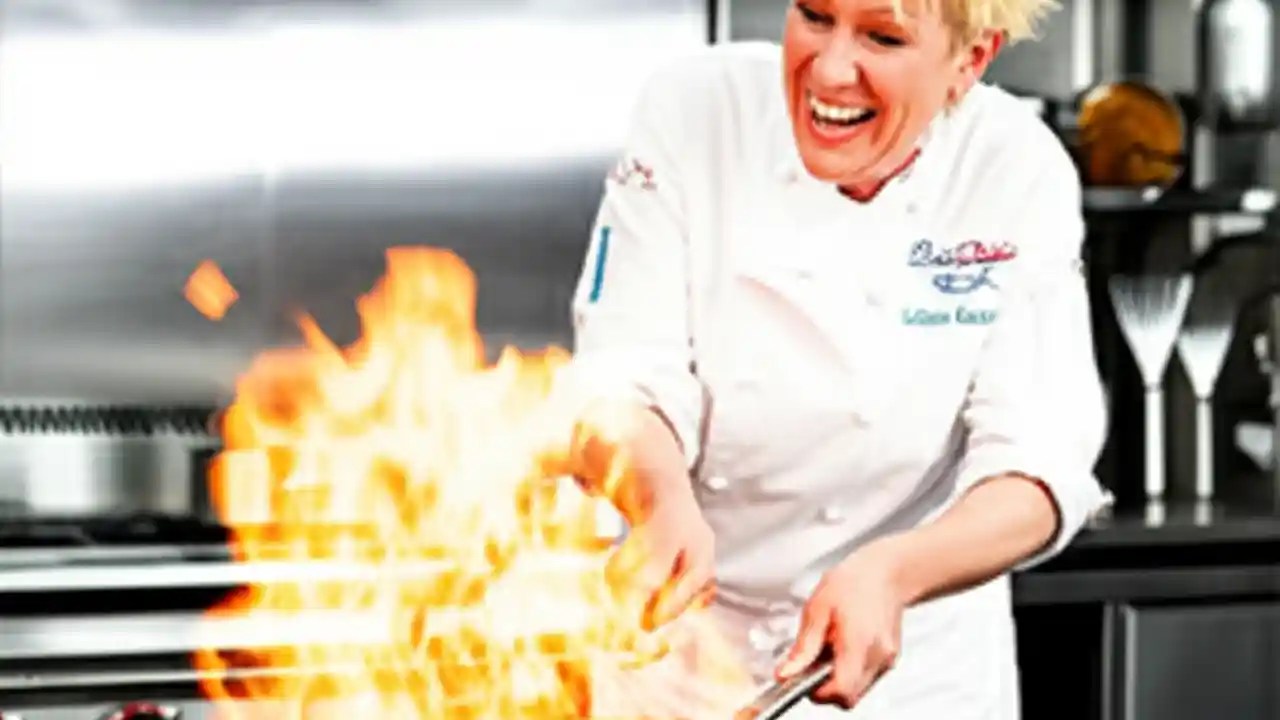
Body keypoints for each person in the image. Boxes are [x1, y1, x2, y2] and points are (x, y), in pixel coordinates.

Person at [564, 0, 1110, 717]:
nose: (828, 69)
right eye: (815, 16)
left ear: (969, 62)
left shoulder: (1013, 167)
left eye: (882, 36)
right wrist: (659, 497)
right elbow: (626, 371)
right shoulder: (695, 114)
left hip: (914, 673)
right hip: (680, 659)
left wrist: (895, 571)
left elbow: (1038, 465)